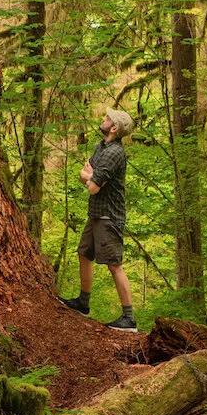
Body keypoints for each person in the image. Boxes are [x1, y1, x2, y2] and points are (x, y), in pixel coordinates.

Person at [60, 108, 137, 331]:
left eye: (107, 119)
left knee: (114, 264)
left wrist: (88, 177)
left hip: (109, 217)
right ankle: (83, 303)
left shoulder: (114, 153)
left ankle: (129, 318)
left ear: (114, 128)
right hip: (95, 214)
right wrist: (88, 176)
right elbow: (83, 173)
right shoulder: (100, 147)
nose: (103, 119)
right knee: (84, 254)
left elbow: (92, 186)